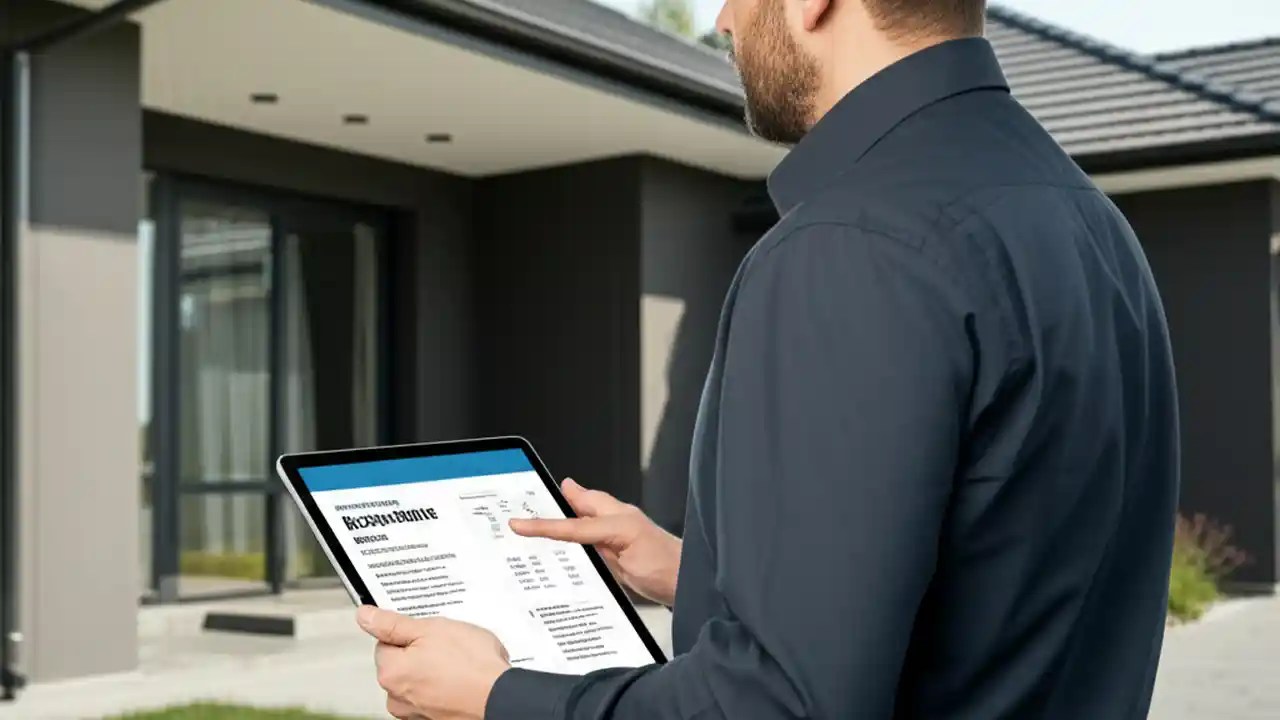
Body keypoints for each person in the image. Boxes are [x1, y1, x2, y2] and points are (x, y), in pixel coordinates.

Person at [354, 0, 1180, 717]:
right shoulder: (1091, 225)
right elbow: (1000, 585)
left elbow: (778, 706)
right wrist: (696, 571)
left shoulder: (852, 245)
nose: (720, 22)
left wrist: (497, 695)